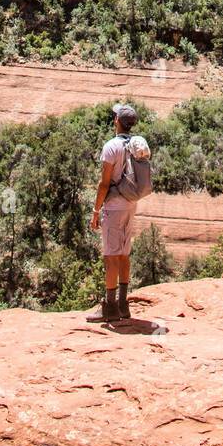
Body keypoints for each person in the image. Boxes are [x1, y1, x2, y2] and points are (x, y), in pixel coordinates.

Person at [87, 102, 143, 323]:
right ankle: (123, 304)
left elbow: (104, 183)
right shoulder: (137, 144)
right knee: (123, 254)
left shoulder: (112, 146)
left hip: (114, 206)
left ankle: (110, 307)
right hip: (131, 203)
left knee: (110, 256)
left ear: (117, 121)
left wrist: (95, 210)